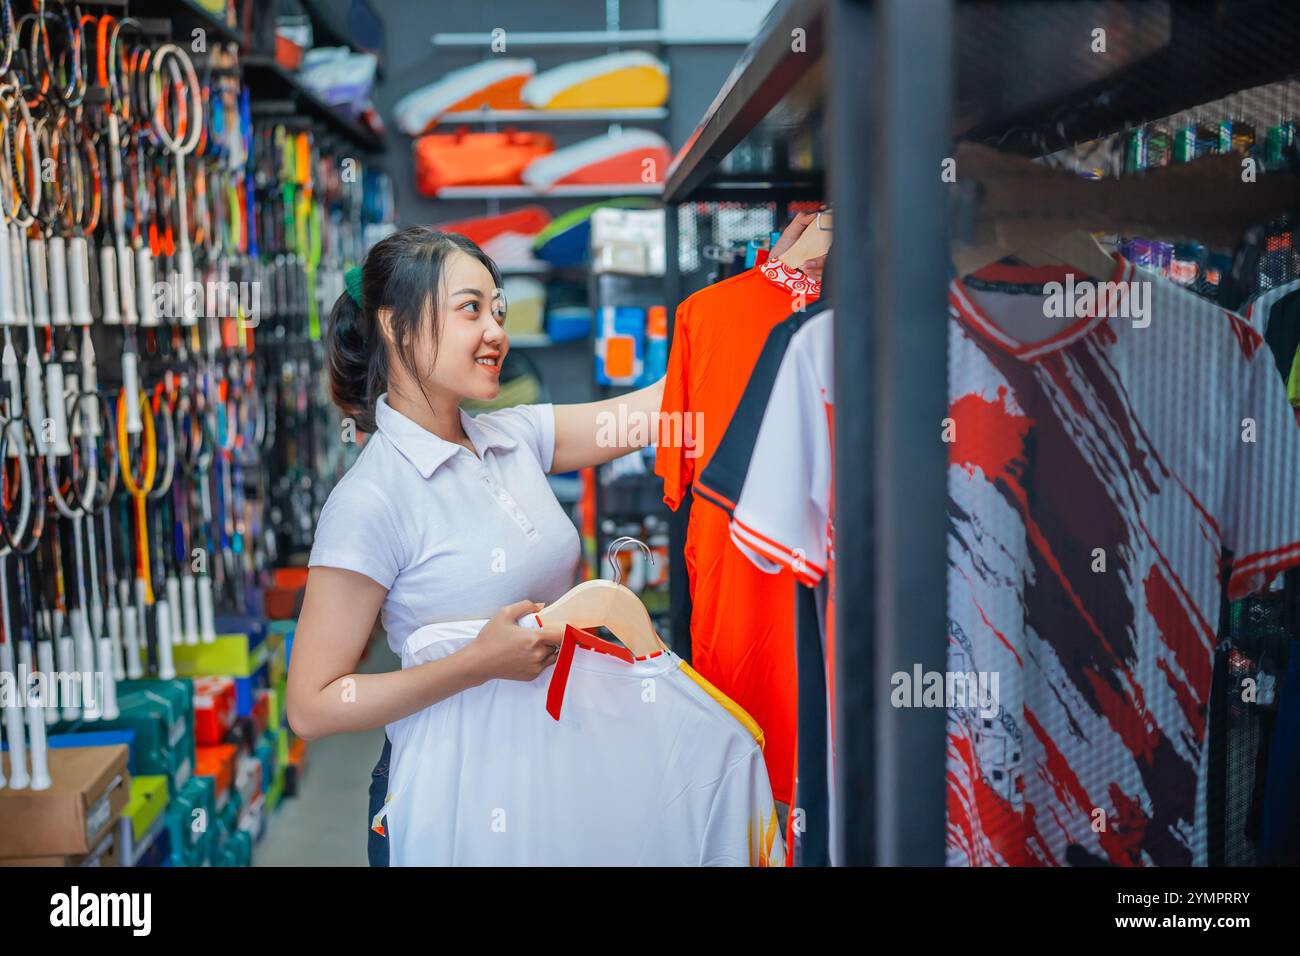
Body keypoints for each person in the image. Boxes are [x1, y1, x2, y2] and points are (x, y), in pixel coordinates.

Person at [285, 216, 823, 866]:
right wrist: (475, 664)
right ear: (397, 329)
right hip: (452, 790)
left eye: (499, 311)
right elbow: (312, 707)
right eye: (471, 310)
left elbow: (672, 401)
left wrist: (770, 288)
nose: (497, 334)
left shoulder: (512, 437)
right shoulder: (372, 499)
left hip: (555, 769)